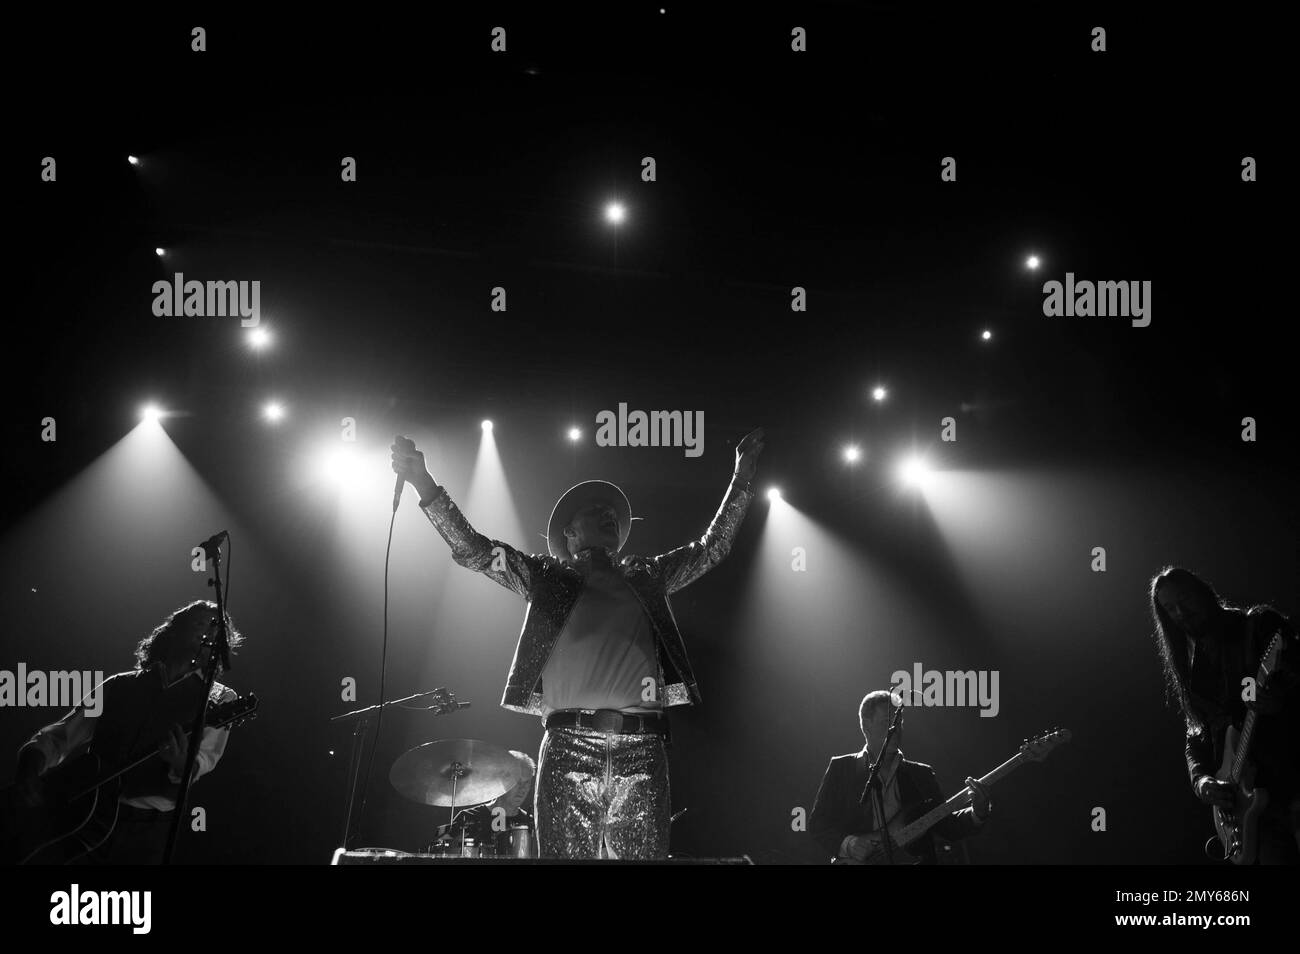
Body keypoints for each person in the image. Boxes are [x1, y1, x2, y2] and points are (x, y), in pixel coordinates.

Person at [392, 427, 764, 858]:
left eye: (611, 511)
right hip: (568, 750)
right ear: (569, 533)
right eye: (596, 510)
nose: (608, 513)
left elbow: (712, 548)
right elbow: (476, 550)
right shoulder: (546, 578)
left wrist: (742, 479)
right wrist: (423, 483)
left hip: (642, 753)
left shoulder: (648, 576)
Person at [12, 600, 242, 864]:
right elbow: (63, 735)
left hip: (147, 831)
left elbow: (203, 760)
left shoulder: (220, 699)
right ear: (175, 630)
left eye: (216, 629)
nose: (208, 633)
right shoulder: (119, 684)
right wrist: (32, 761)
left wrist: (181, 764)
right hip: (83, 812)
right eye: (201, 623)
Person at [1150, 566, 1299, 863]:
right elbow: (1196, 735)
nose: (1180, 612)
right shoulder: (1191, 668)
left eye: (1185, 599)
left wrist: (1283, 702)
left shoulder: (1257, 627)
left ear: (1202, 592)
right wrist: (1201, 781)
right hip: (1249, 804)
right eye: (1169, 608)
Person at [810, 689, 991, 864]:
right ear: (866, 726)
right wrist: (849, 844)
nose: (895, 728)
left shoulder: (921, 775)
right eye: (886, 722)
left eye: (899, 721)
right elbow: (818, 824)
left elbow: (948, 825)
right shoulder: (842, 768)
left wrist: (978, 812)